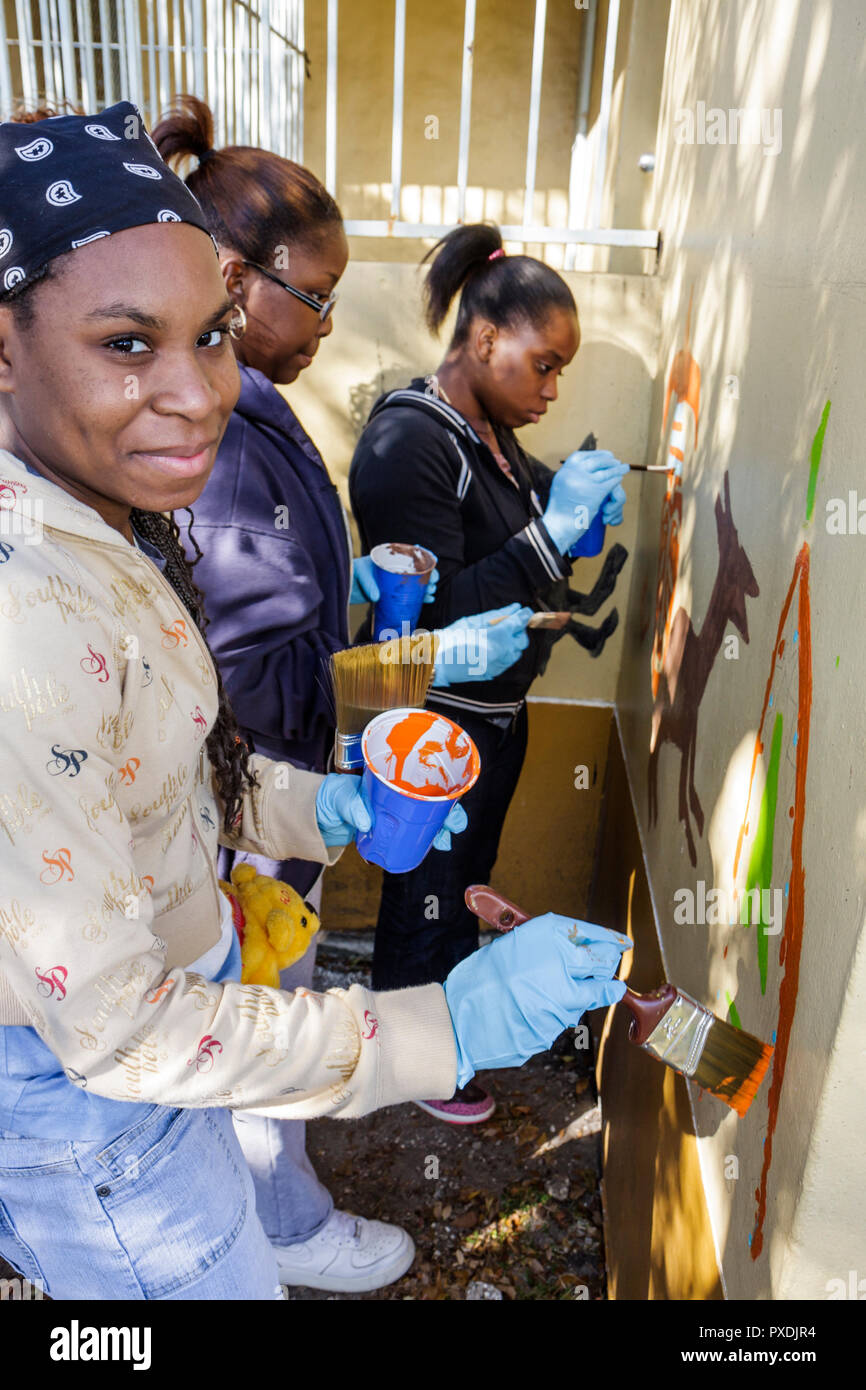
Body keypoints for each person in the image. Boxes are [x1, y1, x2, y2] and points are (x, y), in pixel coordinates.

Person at [0, 104, 629, 1300]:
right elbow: (123, 1025)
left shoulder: (104, 509)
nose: (199, 394)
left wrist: (312, 811)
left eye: (212, 336)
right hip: (92, 1093)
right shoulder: (25, 609)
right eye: (128, 343)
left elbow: (165, 753)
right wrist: (434, 1029)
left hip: (171, 1001)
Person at [154, 96, 531, 1293]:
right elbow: (255, 674)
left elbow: (263, 617)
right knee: (264, 1015)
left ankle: (268, 1208)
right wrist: (417, 663)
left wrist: (360, 592)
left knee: (273, 994)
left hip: (266, 787)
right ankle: (283, 1225)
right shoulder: (217, 437)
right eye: (312, 294)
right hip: (241, 804)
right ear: (229, 273)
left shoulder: (247, 413)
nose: (324, 322)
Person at [350, 223, 630, 1124]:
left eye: (560, 373)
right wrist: (551, 536)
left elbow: (536, 522)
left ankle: (442, 1030)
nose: (552, 389)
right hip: (434, 718)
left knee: (463, 875)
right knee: (423, 890)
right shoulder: (412, 441)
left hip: (496, 715)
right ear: (482, 341)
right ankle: (405, 1058)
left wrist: (575, 507)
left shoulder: (498, 441)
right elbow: (432, 617)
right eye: (543, 365)